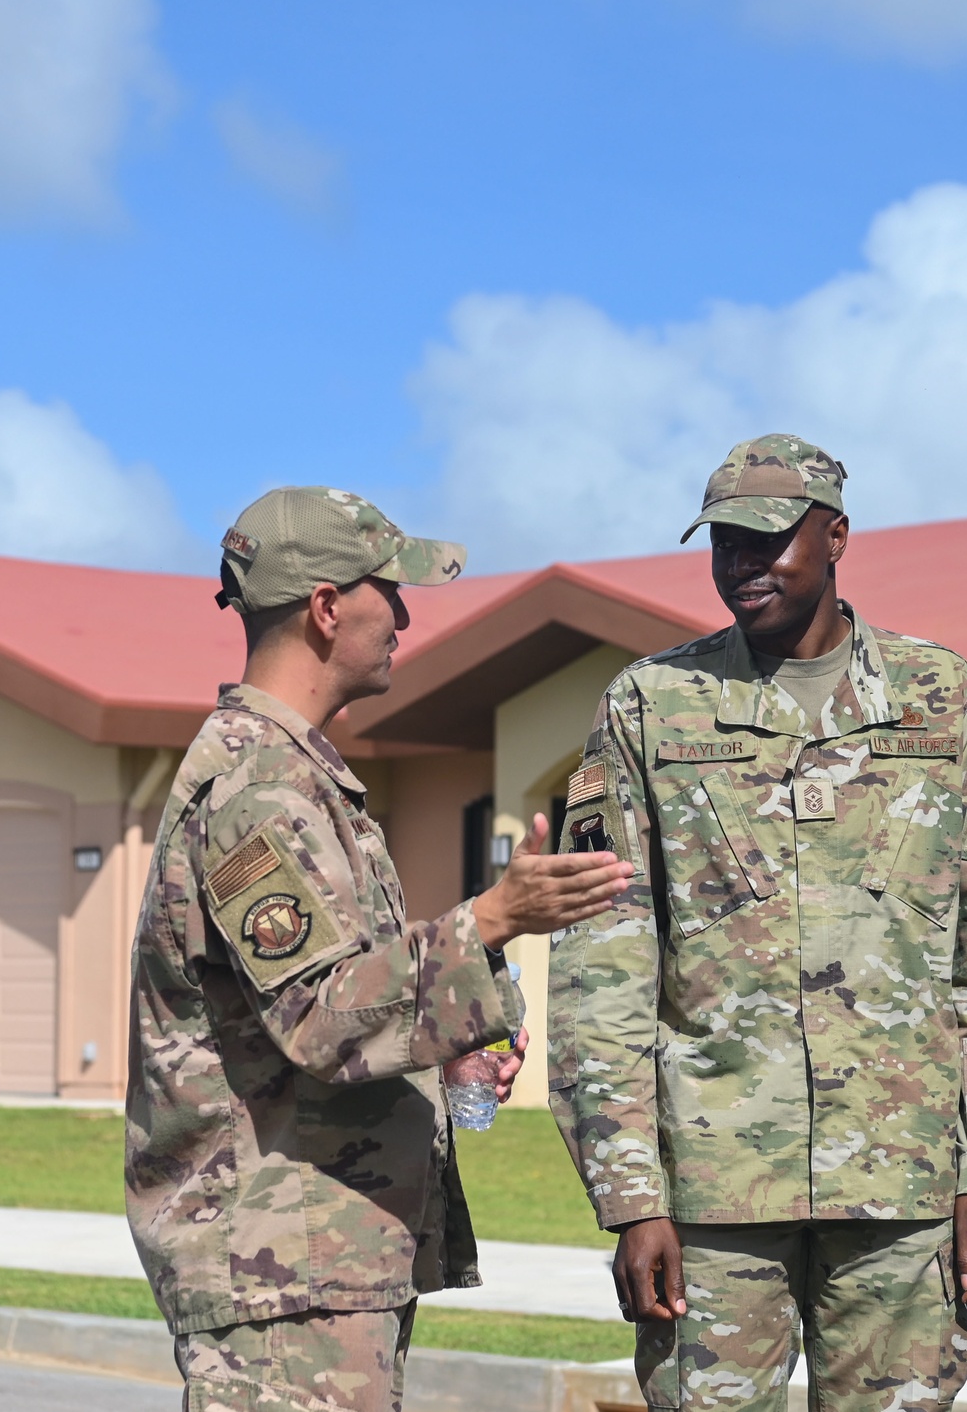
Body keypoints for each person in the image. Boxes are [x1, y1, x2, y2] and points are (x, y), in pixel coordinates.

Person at [548, 436, 967, 1410]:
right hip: (711, 1194)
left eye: (766, 541)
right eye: (722, 544)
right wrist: (629, 1197)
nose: (741, 564)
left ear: (834, 538)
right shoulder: (652, 706)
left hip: (902, 1190)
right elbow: (600, 969)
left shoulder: (935, 697)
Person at [127, 486, 634, 1412]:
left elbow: (327, 1002)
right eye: (388, 589)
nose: (403, 613)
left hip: (316, 1257)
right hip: (279, 1269)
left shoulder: (296, 776)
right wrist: (490, 918)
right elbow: (321, 1012)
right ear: (326, 606)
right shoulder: (259, 785)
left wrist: (457, 1044)